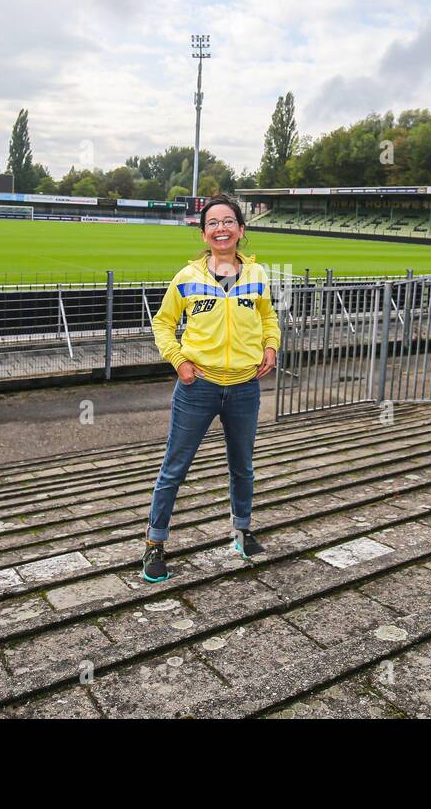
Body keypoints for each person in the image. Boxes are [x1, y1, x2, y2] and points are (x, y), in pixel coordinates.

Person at [143, 194, 280, 582]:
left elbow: (269, 317)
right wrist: (179, 361)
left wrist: (271, 346)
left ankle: (242, 530)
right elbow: (162, 323)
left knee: (243, 467)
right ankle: (154, 544)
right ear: (204, 233)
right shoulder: (188, 277)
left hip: (243, 388)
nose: (221, 228)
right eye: (213, 223)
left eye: (228, 221)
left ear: (240, 229)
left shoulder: (257, 275)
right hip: (197, 387)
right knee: (174, 469)